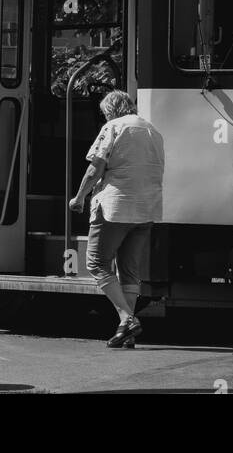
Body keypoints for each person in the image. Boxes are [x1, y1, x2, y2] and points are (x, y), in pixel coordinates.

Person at [69, 90, 165, 348]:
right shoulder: (152, 131)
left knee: (97, 263)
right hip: (146, 209)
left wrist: (78, 197)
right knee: (129, 271)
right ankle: (126, 331)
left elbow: (95, 168)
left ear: (110, 110)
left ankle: (127, 317)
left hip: (115, 207)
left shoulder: (113, 127)